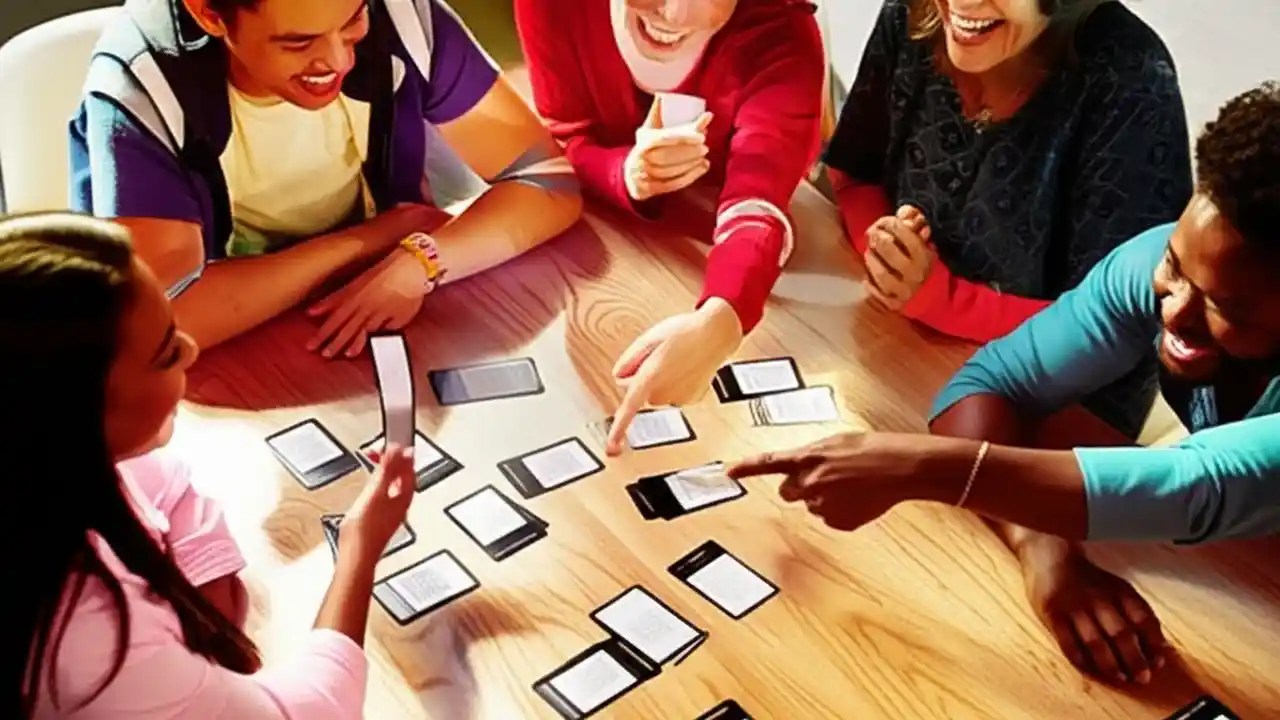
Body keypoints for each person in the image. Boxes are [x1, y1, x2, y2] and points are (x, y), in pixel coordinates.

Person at [728, 83, 1280, 685]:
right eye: (1175, 268)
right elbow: (988, 383)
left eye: (1229, 307)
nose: (1175, 312)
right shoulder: (1162, 260)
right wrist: (1043, 545)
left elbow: (1194, 486)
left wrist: (917, 468)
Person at [7, 212, 418, 719]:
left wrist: (202, 602)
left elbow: (161, 479)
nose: (191, 349)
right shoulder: (95, 647)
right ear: (75, 410)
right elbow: (311, 712)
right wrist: (359, 551)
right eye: (165, 352)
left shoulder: (37, 459)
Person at [71, 0, 582, 358]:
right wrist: (372, 239)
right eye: (298, 42)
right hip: (230, 361)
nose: (338, 60)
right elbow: (162, 324)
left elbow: (547, 182)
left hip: (380, 308)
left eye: (353, 20)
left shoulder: (400, 15)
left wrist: (420, 261)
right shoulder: (141, 86)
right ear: (208, 13)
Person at [825, 0, 1193, 440]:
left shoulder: (1132, 81)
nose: (961, 3)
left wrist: (943, 300)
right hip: (897, 331)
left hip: (1060, 395)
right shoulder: (911, 13)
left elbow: (1119, 324)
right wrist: (885, 253)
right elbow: (855, 170)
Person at [513, 0, 826, 454]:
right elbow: (562, 138)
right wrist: (624, 173)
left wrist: (721, 319)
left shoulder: (784, 34)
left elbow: (756, 205)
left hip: (707, 261)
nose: (673, 13)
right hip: (595, 274)